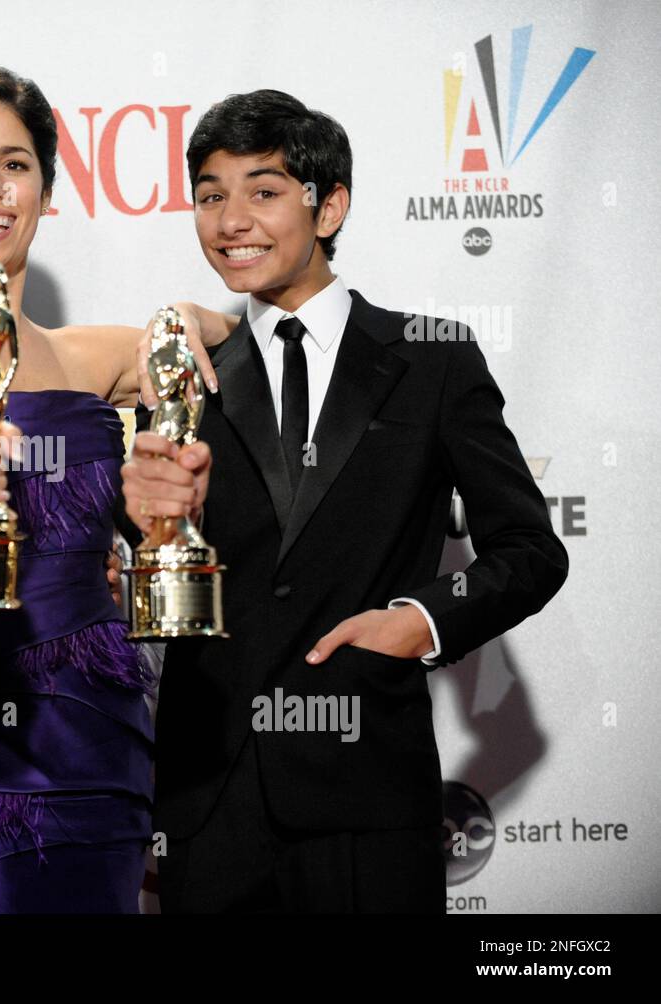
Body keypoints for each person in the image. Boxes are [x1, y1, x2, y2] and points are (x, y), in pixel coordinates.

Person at [121, 89, 569, 913]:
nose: (230, 221)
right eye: (211, 195)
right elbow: (157, 571)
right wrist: (144, 520)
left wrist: (420, 623)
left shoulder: (431, 361)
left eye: (263, 191)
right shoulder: (183, 376)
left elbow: (531, 553)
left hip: (371, 796)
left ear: (329, 206)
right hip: (211, 802)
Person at [0, 66, 222, 913]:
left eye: (14, 165)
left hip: (97, 734)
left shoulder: (96, 355)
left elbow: (234, 348)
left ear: (47, 190)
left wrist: (189, 318)